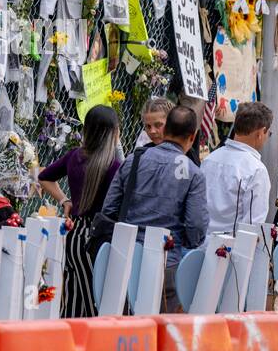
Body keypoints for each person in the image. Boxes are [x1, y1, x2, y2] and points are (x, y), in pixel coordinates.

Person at [100, 105, 209, 312]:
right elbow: (196, 225)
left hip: (125, 258)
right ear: (192, 137)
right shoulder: (193, 174)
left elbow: (109, 207)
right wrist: (183, 241)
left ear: (165, 130)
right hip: (167, 262)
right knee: (162, 330)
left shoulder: (134, 160)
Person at [37, 105, 123, 317]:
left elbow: (44, 177)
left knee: (74, 299)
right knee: (96, 301)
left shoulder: (74, 155)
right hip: (96, 237)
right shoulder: (113, 165)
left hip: (74, 233)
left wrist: (64, 200)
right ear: (113, 132)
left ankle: (68, 344)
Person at [201, 101, 271, 236]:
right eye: (269, 133)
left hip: (199, 247)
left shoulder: (209, 159)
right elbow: (251, 227)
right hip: (228, 251)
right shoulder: (256, 170)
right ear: (261, 132)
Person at [135, 96, 201, 165]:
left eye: (158, 125)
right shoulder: (143, 153)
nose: (152, 131)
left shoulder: (187, 154)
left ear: (171, 122)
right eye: (148, 126)